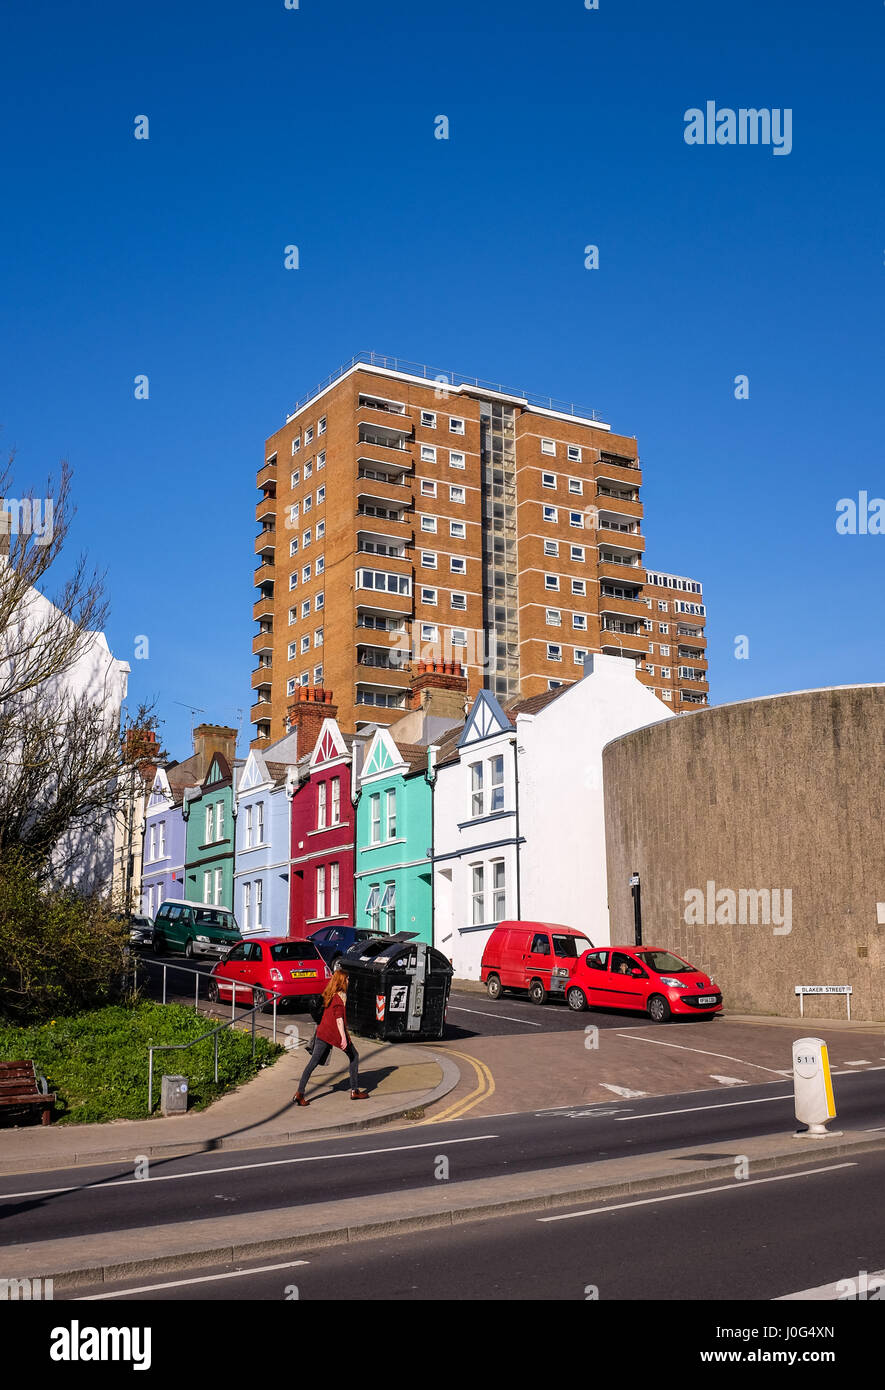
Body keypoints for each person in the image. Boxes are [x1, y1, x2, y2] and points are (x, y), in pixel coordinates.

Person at [293, 968, 368, 1104]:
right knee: (354, 1056)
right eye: (347, 979)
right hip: (334, 1034)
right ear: (342, 981)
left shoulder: (329, 993)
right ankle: (355, 1091)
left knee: (312, 1063)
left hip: (322, 1032)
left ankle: (300, 1093)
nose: (348, 981)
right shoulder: (339, 997)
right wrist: (344, 1039)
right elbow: (339, 1020)